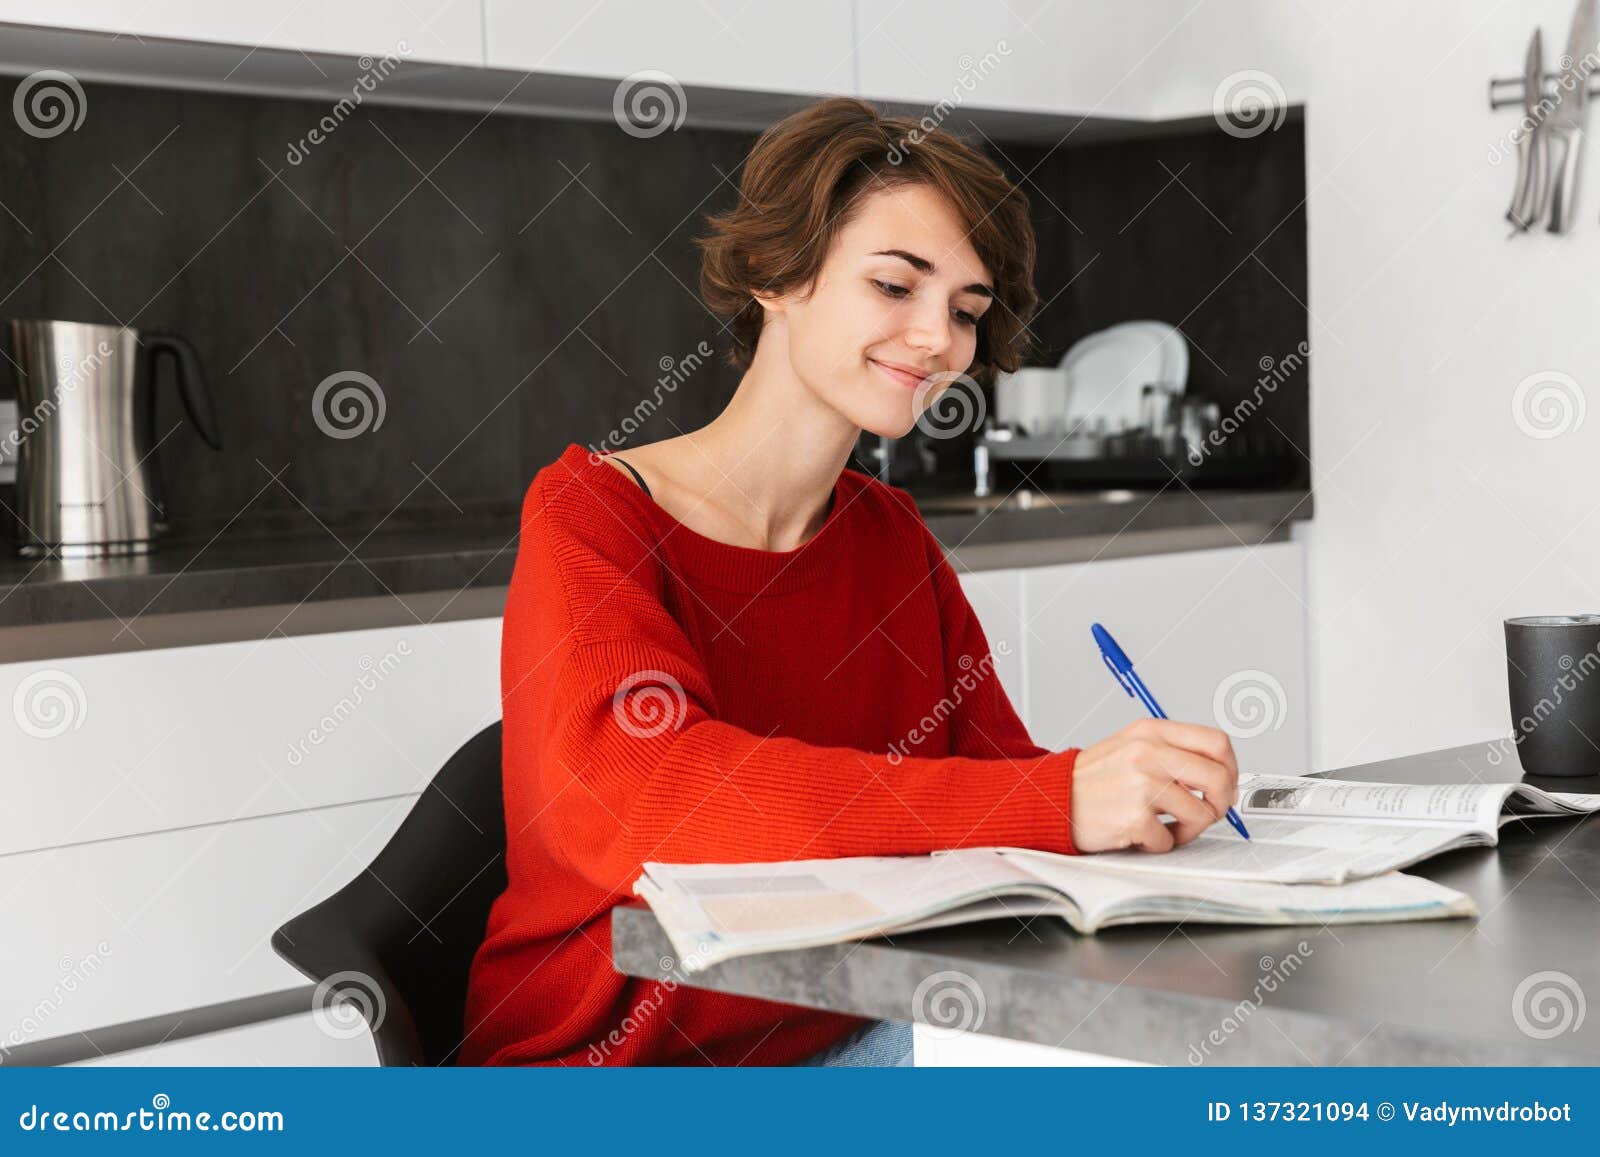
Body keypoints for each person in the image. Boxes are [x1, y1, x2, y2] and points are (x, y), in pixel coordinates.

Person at [459, 96, 1239, 1067]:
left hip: (851, 1026)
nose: (938, 341)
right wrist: (1055, 797)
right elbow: (655, 799)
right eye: (894, 285)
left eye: (964, 309)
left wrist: (1129, 800)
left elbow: (996, 782)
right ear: (774, 275)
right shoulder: (590, 513)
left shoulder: (889, 536)